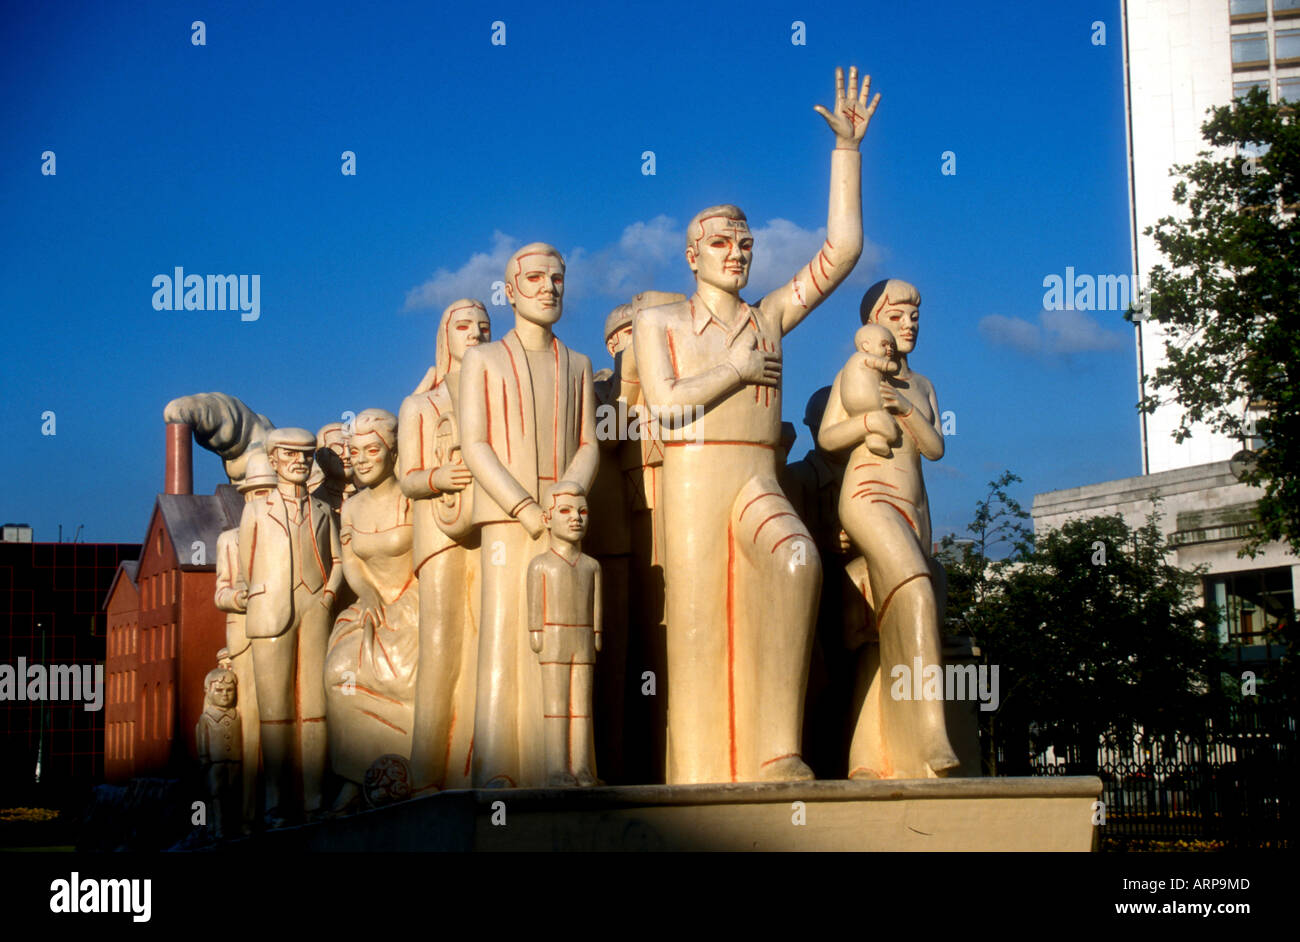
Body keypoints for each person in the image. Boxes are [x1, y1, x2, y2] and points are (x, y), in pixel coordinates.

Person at [633, 66, 877, 784]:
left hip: (753, 476)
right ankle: (701, 778)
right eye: (720, 244)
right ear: (691, 253)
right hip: (692, 480)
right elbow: (668, 404)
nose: (736, 253)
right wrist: (737, 372)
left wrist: (847, 153)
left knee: (797, 561)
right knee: (702, 632)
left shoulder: (768, 317)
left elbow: (842, 254)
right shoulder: (661, 321)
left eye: (744, 244)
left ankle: (779, 750)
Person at [459, 243, 599, 788]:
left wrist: (568, 492)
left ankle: (571, 764)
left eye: (558, 278)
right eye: (536, 278)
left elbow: (589, 441)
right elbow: (476, 444)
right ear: (511, 291)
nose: (549, 287)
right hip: (505, 517)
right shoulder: (484, 359)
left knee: (570, 644)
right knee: (504, 637)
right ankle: (498, 769)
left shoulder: (579, 363)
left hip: (563, 516)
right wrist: (521, 506)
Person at [818, 278, 958, 778]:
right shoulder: (854, 372)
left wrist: (902, 408)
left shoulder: (922, 386)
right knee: (915, 590)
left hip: (913, 506)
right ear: (872, 323)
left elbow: (936, 447)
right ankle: (929, 735)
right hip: (867, 495)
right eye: (897, 315)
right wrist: (867, 422)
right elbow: (829, 438)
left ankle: (868, 758)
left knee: (885, 625)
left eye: (914, 315)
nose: (909, 323)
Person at [399, 299, 491, 791]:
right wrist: (438, 475)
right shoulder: (422, 405)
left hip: (484, 530)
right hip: (438, 534)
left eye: (483, 325)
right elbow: (405, 476)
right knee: (441, 648)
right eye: (463, 326)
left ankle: (468, 765)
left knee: (481, 644)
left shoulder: (490, 397)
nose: (475, 333)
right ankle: (425, 768)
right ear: (446, 337)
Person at [238, 427, 342, 824]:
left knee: (316, 707)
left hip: (314, 606)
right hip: (271, 612)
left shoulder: (322, 510)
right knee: (274, 712)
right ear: (275, 459)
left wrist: (329, 596)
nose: (299, 461)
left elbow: (340, 560)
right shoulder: (256, 509)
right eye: (290, 455)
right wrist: (258, 598)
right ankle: (274, 803)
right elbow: (248, 569)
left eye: (306, 455)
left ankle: (315, 800)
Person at [323, 409, 420, 811]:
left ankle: (411, 770)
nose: (361, 460)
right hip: (371, 602)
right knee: (339, 675)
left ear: (392, 453)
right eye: (354, 451)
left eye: (371, 450)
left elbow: (430, 558)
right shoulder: (353, 508)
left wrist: (406, 601)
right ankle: (356, 775)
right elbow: (353, 565)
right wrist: (367, 596)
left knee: (403, 676)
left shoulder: (412, 500)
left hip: (415, 601)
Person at [213, 451, 277, 830]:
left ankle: (278, 804)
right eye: (255, 493)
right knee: (252, 727)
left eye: (269, 491)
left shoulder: (286, 532)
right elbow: (221, 592)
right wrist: (241, 597)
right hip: (246, 638)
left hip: (283, 634)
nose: (262, 500)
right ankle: (251, 815)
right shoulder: (229, 540)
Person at [526, 482, 602, 787]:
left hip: (583, 640)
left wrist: (597, 632)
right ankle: (557, 768)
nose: (576, 519)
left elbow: (596, 604)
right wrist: (536, 631)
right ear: (547, 519)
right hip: (554, 638)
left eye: (583, 511)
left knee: (582, 708)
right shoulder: (541, 565)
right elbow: (535, 604)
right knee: (556, 707)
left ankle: (582, 767)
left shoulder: (591, 566)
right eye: (566, 511)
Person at [195, 664, 242, 840]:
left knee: (233, 792)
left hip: (235, 761)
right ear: (208, 691)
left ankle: (232, 826)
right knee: (215, 794)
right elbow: (201, 738)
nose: (225, 695)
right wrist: (203, 757)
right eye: (220, 690)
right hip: (215, 763)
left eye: (229, 690)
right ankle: (216, 828)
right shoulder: (206, 718)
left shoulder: (236, 715)